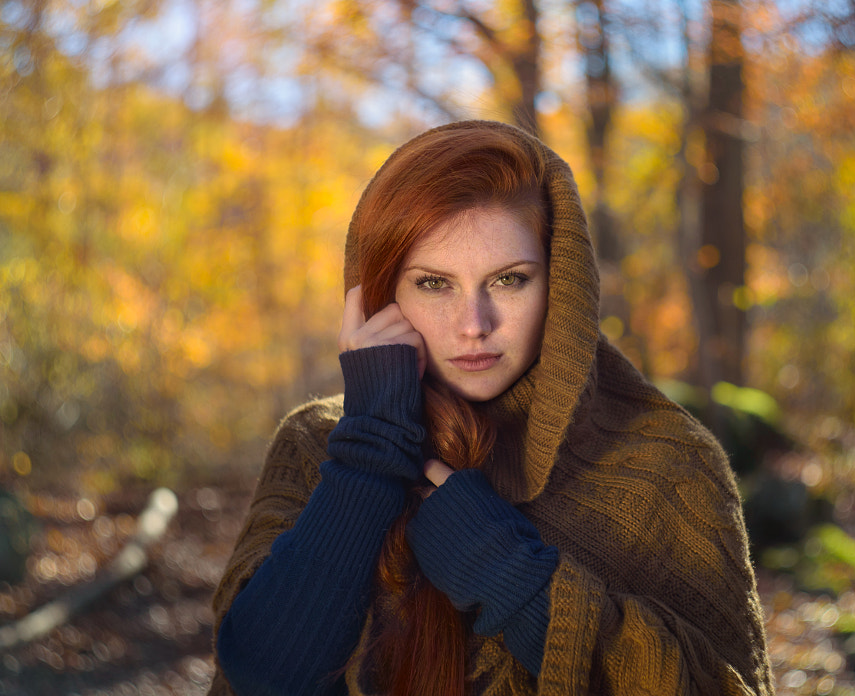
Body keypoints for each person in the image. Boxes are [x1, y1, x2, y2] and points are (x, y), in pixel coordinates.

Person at [208, 120, 775, 695]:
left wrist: (516, 583)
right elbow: (259, 673)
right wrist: (368, 456)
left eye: (509, 280)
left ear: (561, 284)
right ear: (381, 295)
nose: (474, 325)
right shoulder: (318, 444)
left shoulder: (667, 464)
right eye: (434, 284)